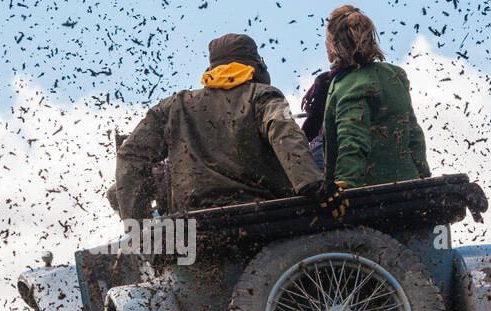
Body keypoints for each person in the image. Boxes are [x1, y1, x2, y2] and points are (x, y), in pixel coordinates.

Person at [114, 33, 343, 223]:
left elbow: (131, 154)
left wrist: (140, 226)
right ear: (258, 66)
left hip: (190, 224)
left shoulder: (175, 106)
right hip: (260, 217)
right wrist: (313, 184)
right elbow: (285, 133)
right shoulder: (262, 96)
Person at [320, 6, 431, 189]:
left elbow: (353, 141)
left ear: (334, 45)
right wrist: (424, 179)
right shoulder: (394, 75)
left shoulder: (349, 85)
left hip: (372, 197)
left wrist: (344, 184)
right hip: (411, 188)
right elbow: (414, 134)